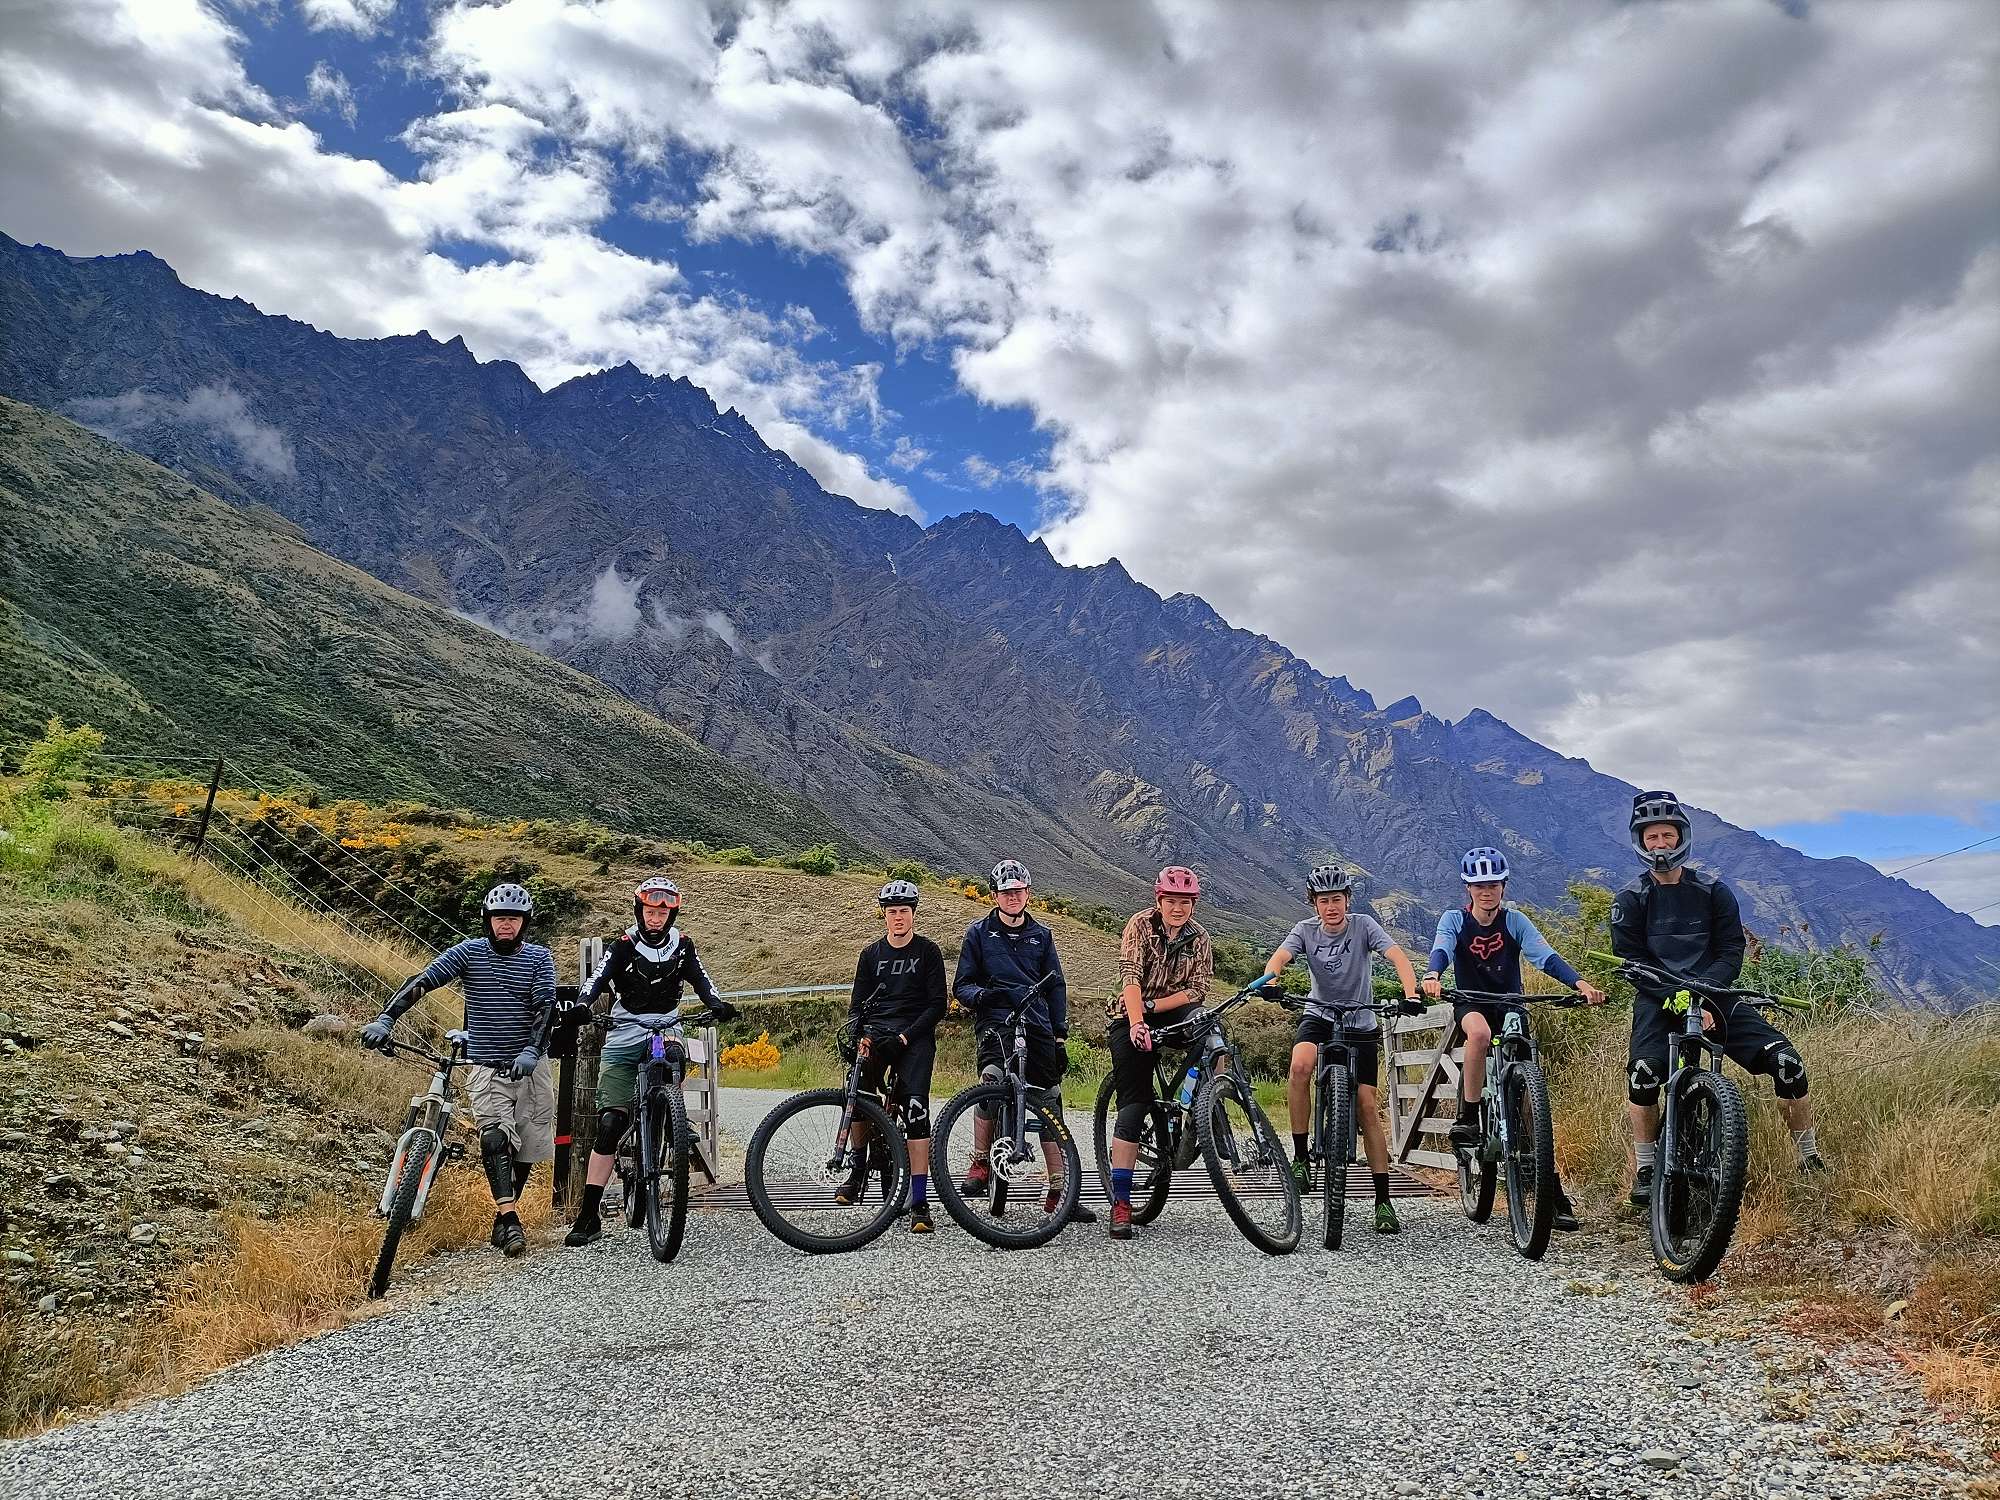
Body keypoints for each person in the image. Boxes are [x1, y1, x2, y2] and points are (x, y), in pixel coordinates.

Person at [1612, 791, 1828, 1206]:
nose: (1660, 845)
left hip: (1716, 995)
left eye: (1667, 836)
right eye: (1652, 836)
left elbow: (1731, 950)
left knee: (1787, 1064)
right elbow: (1631, 961)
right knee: (1643, 1074)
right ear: (1641, 841)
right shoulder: (1630, 899)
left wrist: (1704, 997)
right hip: (1659, 999)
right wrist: (1674, 995)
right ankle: (1644, 1165)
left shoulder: (1714, 891)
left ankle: (1809, 1158)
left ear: (1682, 838)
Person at [361, 883, 556, 1258]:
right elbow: (423, 982)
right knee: (494, 1138)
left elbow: (545, 1006)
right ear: (488, 919)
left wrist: (532, 1049)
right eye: (500, 918)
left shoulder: (538, 958)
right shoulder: (468, 952)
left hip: (531, 1067)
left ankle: (502, 1218)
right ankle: (511, 1218)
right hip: (485, 1065)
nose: (506, 925)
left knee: (526, 1149)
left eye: (513, 919)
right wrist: (386, 1019)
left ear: (524, 923)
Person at [1421, 847, 1606, 1232]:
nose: (1486, 891)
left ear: (1503, 886)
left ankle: (1551, 1195)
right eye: (1478, 885)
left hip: (1511, 1003)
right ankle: (1470, 1116)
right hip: (1471, 1001)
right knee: (1480, 1034)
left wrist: (1580, 983)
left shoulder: (1515, 921)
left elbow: (1545, 956)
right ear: (1467, 888)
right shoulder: (1455, 919)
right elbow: (1441, 949)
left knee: (1528, 1104)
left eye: (1493, 884)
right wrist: (1433, 974)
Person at [563, 876, 740, 1247]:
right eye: (649, 910)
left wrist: (716, 1004)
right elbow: (598, 978)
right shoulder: (624, 945)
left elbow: (702, 980)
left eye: (662, 911)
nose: (655, 917)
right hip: (626, 1030)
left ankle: (676, 1119)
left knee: (673, 1055)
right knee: (610, 1124)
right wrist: (582, 1005)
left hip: (666, 1025)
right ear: (639, 911)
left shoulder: (683, 946)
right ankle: (587, 1215)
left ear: (671, 914)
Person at [1259, 865, 1421, 1234]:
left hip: (1361, 1020)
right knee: (1300, 1067)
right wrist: (1273, 980)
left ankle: (1383, 1202)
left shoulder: (1363, 925)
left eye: (1337, 899)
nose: (1331, 907)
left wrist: (1410, 994)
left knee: (1366, 1104)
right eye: (1323, 900)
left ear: (1347, 900)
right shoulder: (1304, 930)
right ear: (1313, 903)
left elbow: (1396, 956)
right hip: (1318, 1014)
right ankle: (1300, 1158)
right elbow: (1279, 959)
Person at [951, 859, 1095, 1226]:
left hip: (1037, 1024)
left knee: (1049, 1096)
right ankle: (981, 1162)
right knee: (991, 1081)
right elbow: (962, 986)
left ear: (1027, 893)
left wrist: (1059, 1030)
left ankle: (1061, 1188)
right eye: (1005, 892)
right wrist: (985, 997)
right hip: (997, 1023)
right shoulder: (978, 933)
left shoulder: (1042, 936)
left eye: (1017, 891)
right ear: (995, 895)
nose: (1012, 897)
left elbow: (1056, 984)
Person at [1105, 866, 1215, 1241]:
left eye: (1185, 902)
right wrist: (1138, 1022)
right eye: (1172, 901)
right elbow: (1130, 978)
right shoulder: (1140, 925)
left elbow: (1197, 990)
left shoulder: (1199, 937)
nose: (1178, 909)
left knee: (1212, 1029)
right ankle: (1121, 1203)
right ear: (1159, 900)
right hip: (1131, 1011)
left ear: (1193, 905)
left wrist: (1157, 1008)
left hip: (1169, 1007)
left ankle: (1200, 1105)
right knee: (1134, 1104)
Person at [842, 879, 948, 1234]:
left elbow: (937, 1006)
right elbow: (857, 1006)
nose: (898, 917)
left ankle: (920, 1200)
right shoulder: (870, 955)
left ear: (913, 914)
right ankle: (858, 1168)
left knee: (916, 1111)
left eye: (904, 911)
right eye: (892, 912)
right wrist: (861, 1038)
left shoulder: (928, 952)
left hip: (914, 1037)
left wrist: (905, 1037)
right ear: (884, 916)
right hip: (877, 1032)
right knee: (855, 1094)